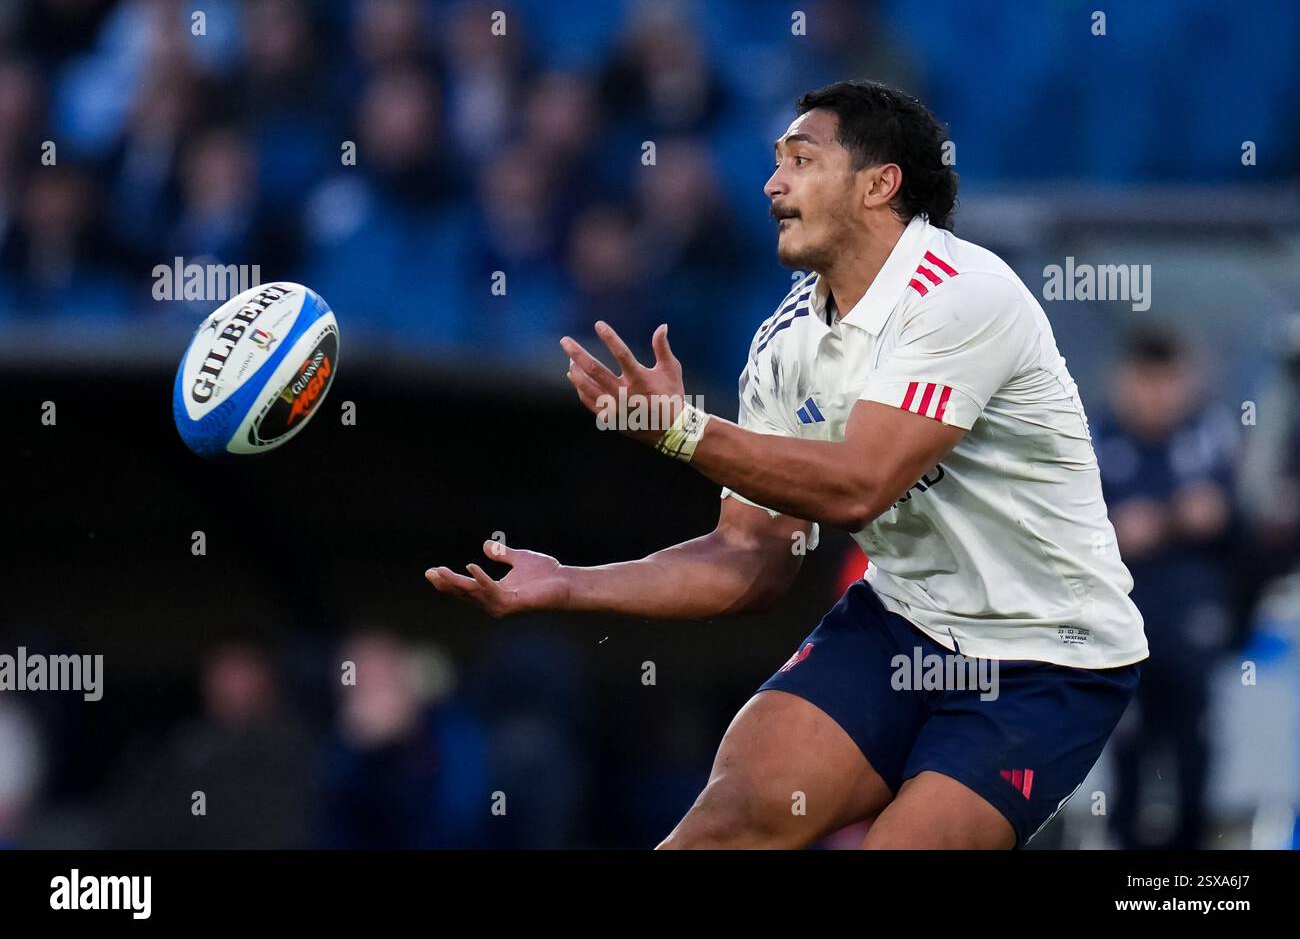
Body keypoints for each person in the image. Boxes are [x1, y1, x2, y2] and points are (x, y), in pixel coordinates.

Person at [427, 80, 1148, 850]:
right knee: (726, 823)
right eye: (775, 162)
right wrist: (570, 581)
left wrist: (682, 432)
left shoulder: (965, 295)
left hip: (1045, 658)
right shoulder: (783, 345)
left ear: (880, 184)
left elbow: (859, 483)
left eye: (801, 160)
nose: (773, 183)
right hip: (899, 625)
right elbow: (751, 559)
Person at [1093, 330, 1238, 848]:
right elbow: (1065, 530)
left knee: (1194, 744)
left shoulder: (1207, 437)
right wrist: (1115, 527)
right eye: (1145, 381)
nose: (1156, 395)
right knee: (1126, 746)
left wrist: (1201, 518)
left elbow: (1235, 522)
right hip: (1120, 624)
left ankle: (1193, 859)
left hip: (1190, 620)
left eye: (1167, 380)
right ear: (1122, 381)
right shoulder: (1095, 442)